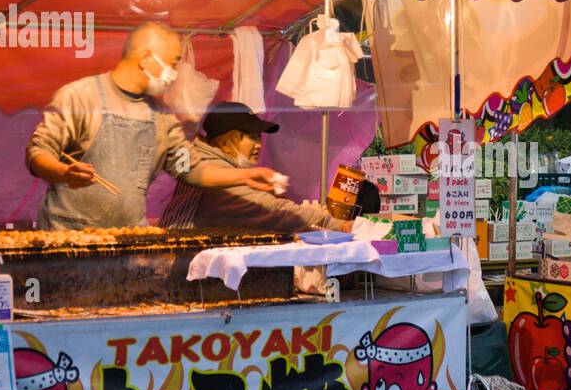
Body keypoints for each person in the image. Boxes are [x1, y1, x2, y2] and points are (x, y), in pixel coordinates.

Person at [26, 21, 288, 230]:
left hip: (127, 238)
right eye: (173, 63)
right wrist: (62, 172)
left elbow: (192, 170)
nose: (174, 73)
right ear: (145, 59)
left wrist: (246, 176)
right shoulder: (79, 96)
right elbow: (38, 152)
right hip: (68, 237)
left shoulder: (161, 118)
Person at [160, 103, 349, 232]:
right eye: (251, 137)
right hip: (181, 269)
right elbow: (273, 210)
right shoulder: (215, 173)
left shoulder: (204, 161)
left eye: (259, 136)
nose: (259, 144)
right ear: (226, 142)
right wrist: (337, 226)